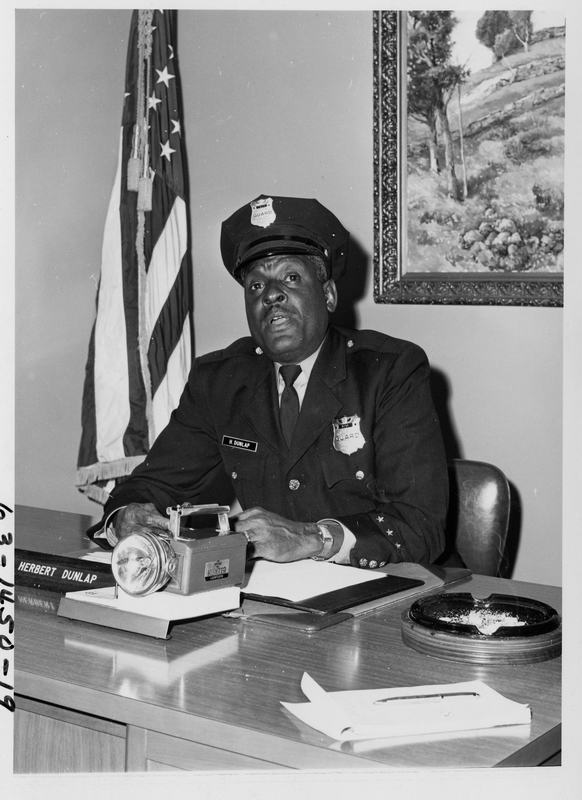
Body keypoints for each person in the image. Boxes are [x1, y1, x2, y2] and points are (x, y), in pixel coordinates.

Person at [88, 194, 448, 568]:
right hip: (272, 590)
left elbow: (421, 526)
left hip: (381, 584)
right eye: (256, 286)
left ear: (328, 295)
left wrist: (313, 538)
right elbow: (152, 485)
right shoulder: (220, 381)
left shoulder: (389, 371)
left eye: (291, 277)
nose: (272, 294)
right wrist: (124, 518)